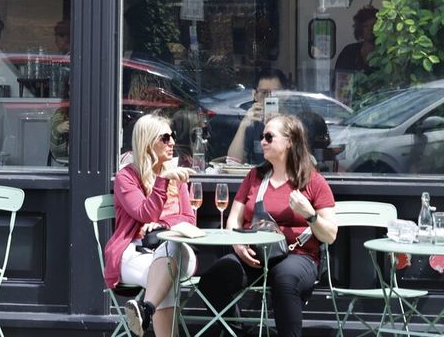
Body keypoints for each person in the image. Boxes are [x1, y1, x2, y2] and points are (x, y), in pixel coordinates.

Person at [196, 114, 338, 337]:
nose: (262, 141)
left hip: (299, 255)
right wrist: (238, 246)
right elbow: (233, 220)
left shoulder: (313, 181)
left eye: (269, 137)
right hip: (254, 256)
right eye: (262, 137)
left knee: (285, 279)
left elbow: (330, 235)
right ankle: (236, 330)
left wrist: (310, 215)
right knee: (212, 280)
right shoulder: (255, 176)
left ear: (289, 141)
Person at [103, 114, 197, 337]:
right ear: (147, 141)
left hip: (178, 250)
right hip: (134, 251)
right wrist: (162, 180)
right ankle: (149, 308)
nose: (172, 142)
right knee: (164, 278)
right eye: (165, 137)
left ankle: (146, 310)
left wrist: (162, 225)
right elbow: (145, 213)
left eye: (172, 136)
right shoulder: (127, 177)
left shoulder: (176, 176)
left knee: (169, 249)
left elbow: (189, 219)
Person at [224, 68, 289, 164]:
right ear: (255, 95)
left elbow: (298, 161)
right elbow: (233, 161)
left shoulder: (293, 124)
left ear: (285, 95)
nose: (269, 98)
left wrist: (280, 127)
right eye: (263, 93)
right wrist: (243, 125)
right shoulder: (253, 123)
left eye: (274, 93)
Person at [334, 6, 377, 102]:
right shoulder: (349, 52)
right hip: (353, 108)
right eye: (366, 26)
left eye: (374, 25)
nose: (370, 29)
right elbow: (341, 87)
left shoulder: (388, 55)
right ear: (360, 29)